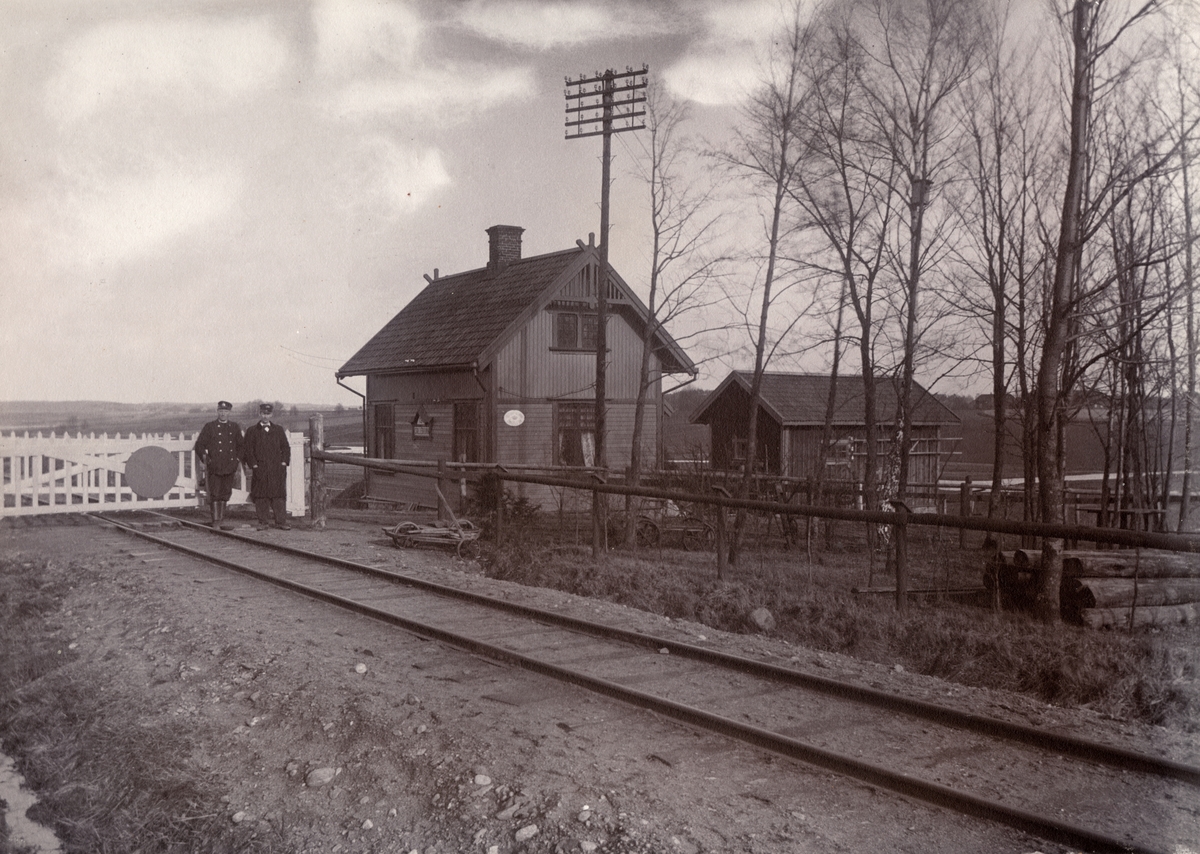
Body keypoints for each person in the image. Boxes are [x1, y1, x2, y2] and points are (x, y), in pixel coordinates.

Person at [194, 401, 244, 529]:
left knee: (225, 492)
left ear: (229, 413)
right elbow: (199, 445)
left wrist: (237, 459)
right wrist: (206, 459)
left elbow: (241, 446)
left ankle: (221, 519)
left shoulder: (234, 427)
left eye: (226, 411)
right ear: (217, 412)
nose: (223, 414)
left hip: (229, 465)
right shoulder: (210, 427)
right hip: (215, 466)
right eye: (221, 411)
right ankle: (215, 520)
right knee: (215, 493)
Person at [242, 403, 291, 530]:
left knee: (278, 495)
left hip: (276, 469)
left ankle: (281, 522)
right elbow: (248, 450)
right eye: (263, 413)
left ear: (271, 414)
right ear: (259, 414)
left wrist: (284, 462)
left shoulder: (278, 430)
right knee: (261, 495)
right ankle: (263, 522)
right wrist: (254, 465)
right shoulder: (252, 431)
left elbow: (285, 447)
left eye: (268, 414)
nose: (265, 416)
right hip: (260, 468)